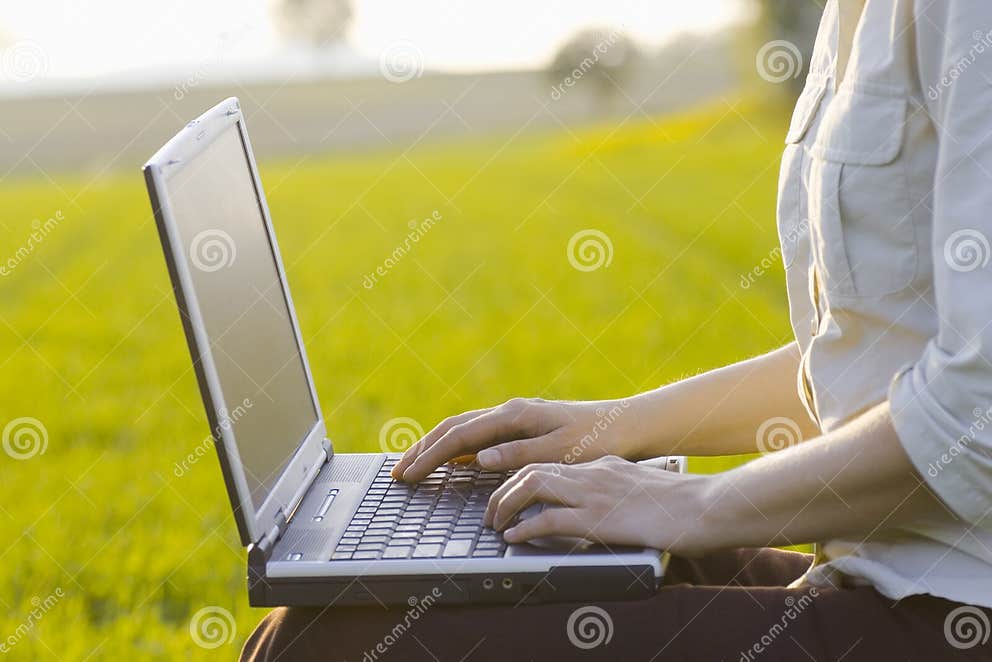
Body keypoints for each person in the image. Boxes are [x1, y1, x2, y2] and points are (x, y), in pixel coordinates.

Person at [242, 1, 992, 659]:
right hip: (873, 578)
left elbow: (976, 408)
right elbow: (872, 363)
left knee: (337, 645)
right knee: (364, 606)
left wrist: (693, 505)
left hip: (950, 618)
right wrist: (613, 428)